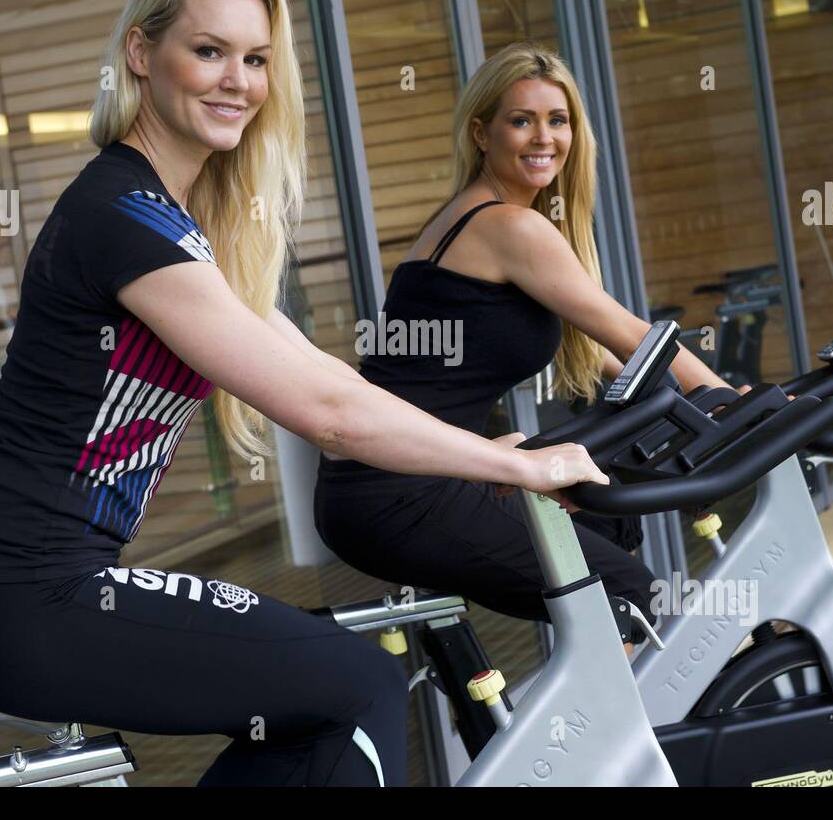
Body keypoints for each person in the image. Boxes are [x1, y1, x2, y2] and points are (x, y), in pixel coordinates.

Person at [0, 0, 608, 788]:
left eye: (255, 60)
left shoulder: (178, 224)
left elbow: (339, 383)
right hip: (21, 598)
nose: (238, 81)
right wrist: (516, 463)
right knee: (356, 687)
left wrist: (476, 456)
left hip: (54, 586)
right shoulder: (121, 217)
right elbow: (327, 416)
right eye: (208, 51)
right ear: (140, 53)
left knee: (327, 703)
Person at [313, 42, 743, 640]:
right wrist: (737, 408)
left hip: (399, 480)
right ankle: (594, 731)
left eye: (557, 120)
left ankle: (604, 715)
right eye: (522, 120)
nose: (544, 138)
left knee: (607, 523)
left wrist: (722, 401)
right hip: (397, 493)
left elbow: (602, 350)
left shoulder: (470, 214)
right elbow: (630, 335)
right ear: (482, 134)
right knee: (631, 597)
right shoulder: (510, 226)